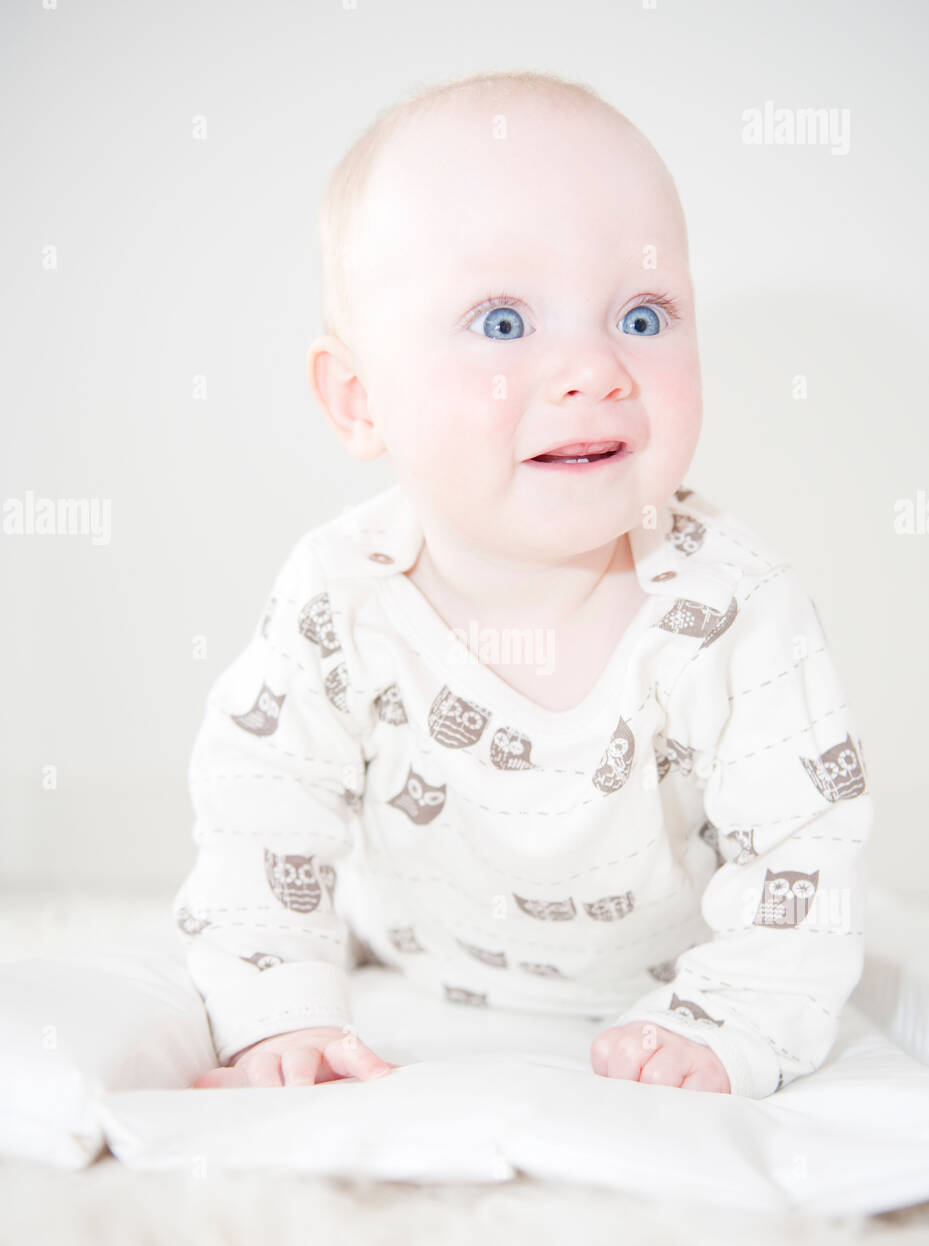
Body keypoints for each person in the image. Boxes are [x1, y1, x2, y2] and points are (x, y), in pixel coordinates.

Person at [176, 70, 873, 1098]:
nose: (595, 369)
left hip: (670, 980)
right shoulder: (344, 598)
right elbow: (261, 809)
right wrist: (278, 1013)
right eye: (504, 324)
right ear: (361, 399)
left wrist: (734, 1018)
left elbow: (804, 852)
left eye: (642, 316)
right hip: (404, 967)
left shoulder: (733, 612)